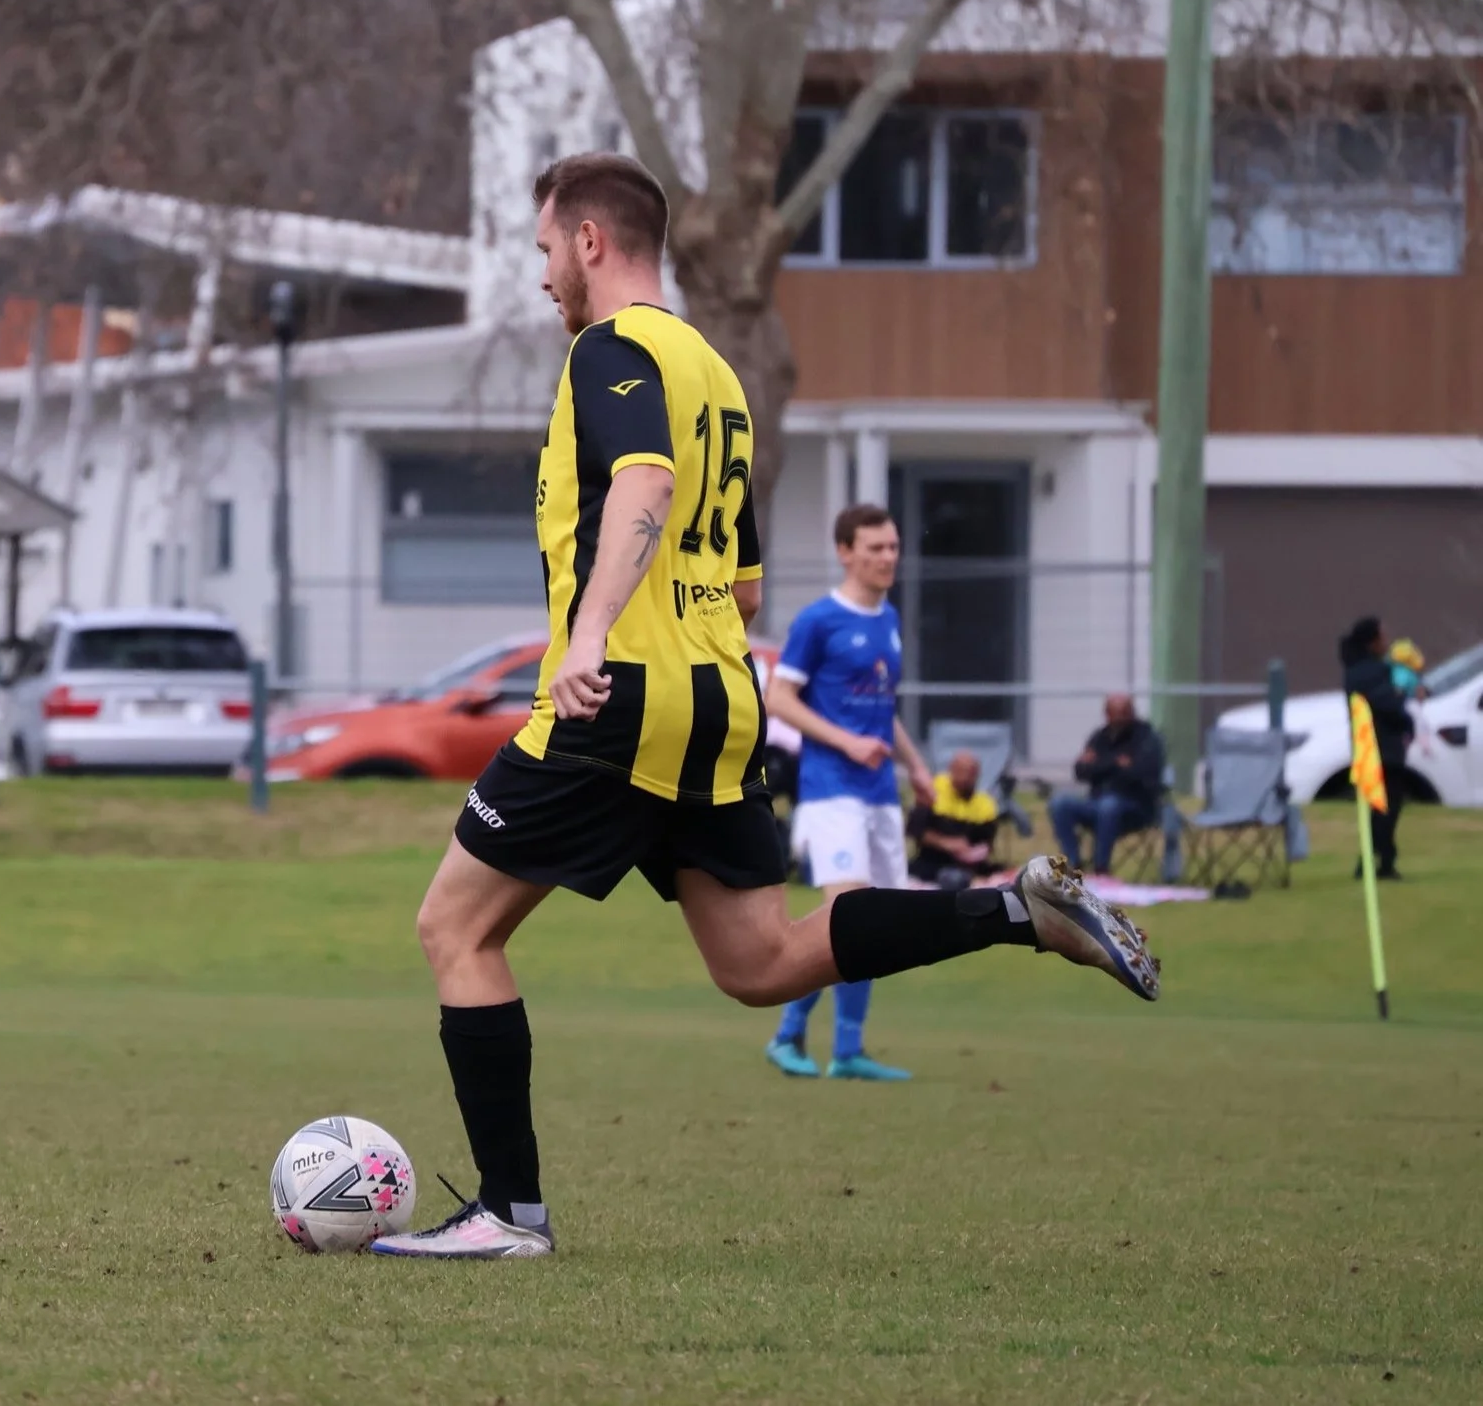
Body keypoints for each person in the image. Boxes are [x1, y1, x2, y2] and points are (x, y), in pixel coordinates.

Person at [368, 151, 1160, 1262]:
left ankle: (511, 1214)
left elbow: (642, 482)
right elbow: (742, 584)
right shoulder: (716, 373)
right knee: (758, 963)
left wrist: (589, 635)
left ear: (591, 242)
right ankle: (1017, 912)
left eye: (547, 249)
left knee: (453, 928)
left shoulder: (617, 349)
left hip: (624, 697)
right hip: (720, 702)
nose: (544, 275)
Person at [757, 504, 935, 1083]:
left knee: (877, 924)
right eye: (875, 548)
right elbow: (779, 699)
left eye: (893, 547)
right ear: (844, 552)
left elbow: (884, 712)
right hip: (832, 790)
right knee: (848, 917)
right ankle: (789, 1033)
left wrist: (916, 767)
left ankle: (847, 1052)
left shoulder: (888, 619)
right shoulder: (819, 621)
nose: (888, 557)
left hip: (881, 794)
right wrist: (846, 743)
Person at [1048, 695, 1167, 876]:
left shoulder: (1146, 738)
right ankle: (1073, 863)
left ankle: (1101, 869)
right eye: (1116, 713)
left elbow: (1143, 774)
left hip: (1136, 807)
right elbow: (1081, 771)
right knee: (1060, 802)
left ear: (1132, 712)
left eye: (1125, 712)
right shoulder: (1099, 737)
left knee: (1109, 805)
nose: (1120, 717)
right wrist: (1116, 763)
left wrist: (1100, 764)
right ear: (1107, 714)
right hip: (1096, 803)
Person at [1342, 617, 1411, 880]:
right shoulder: (1373, 672)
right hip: (1382, 747)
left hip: (1370, 747)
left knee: (1379, 807)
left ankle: (1373, 860)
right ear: (1372, 642)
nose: (1387, 641)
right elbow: (1387, 705)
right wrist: (1406, 718)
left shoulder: (1356, 669)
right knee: (1386, 806)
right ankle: (1382, 862)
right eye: (1383, 637)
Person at [910, 751, 1001, 891]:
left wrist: (973, 852)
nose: (965, 778)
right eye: (961, 772)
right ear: (951, 770)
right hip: (932, 861)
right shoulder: (934, 790)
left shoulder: (985, 804)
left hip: (969, 866)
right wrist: (947, 844)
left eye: (970, 773)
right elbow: (915, 829)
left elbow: (986, 844)